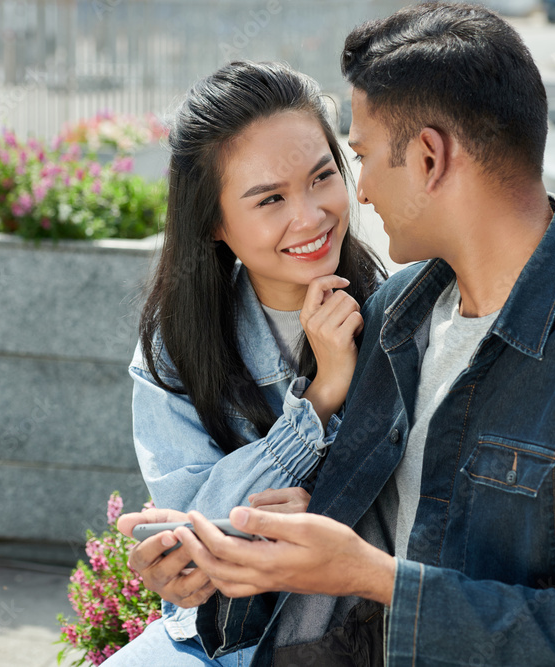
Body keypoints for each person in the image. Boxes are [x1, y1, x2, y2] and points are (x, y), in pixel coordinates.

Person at [121, 3, 555, 665]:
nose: (359, 193)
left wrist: (373, 577)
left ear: (431, 158)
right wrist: (224, 563)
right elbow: (337, 548)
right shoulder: (400, 316)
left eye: (360, 159)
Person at [103, 61, 386, 665]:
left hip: (352, 634)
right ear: (213, 221)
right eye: (271, 199)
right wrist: (321, 397)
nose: (309, 216)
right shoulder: (177, 345)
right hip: (221, 634)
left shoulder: (399, 313)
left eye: (321, 177)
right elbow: (197, 531)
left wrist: (326, 515)